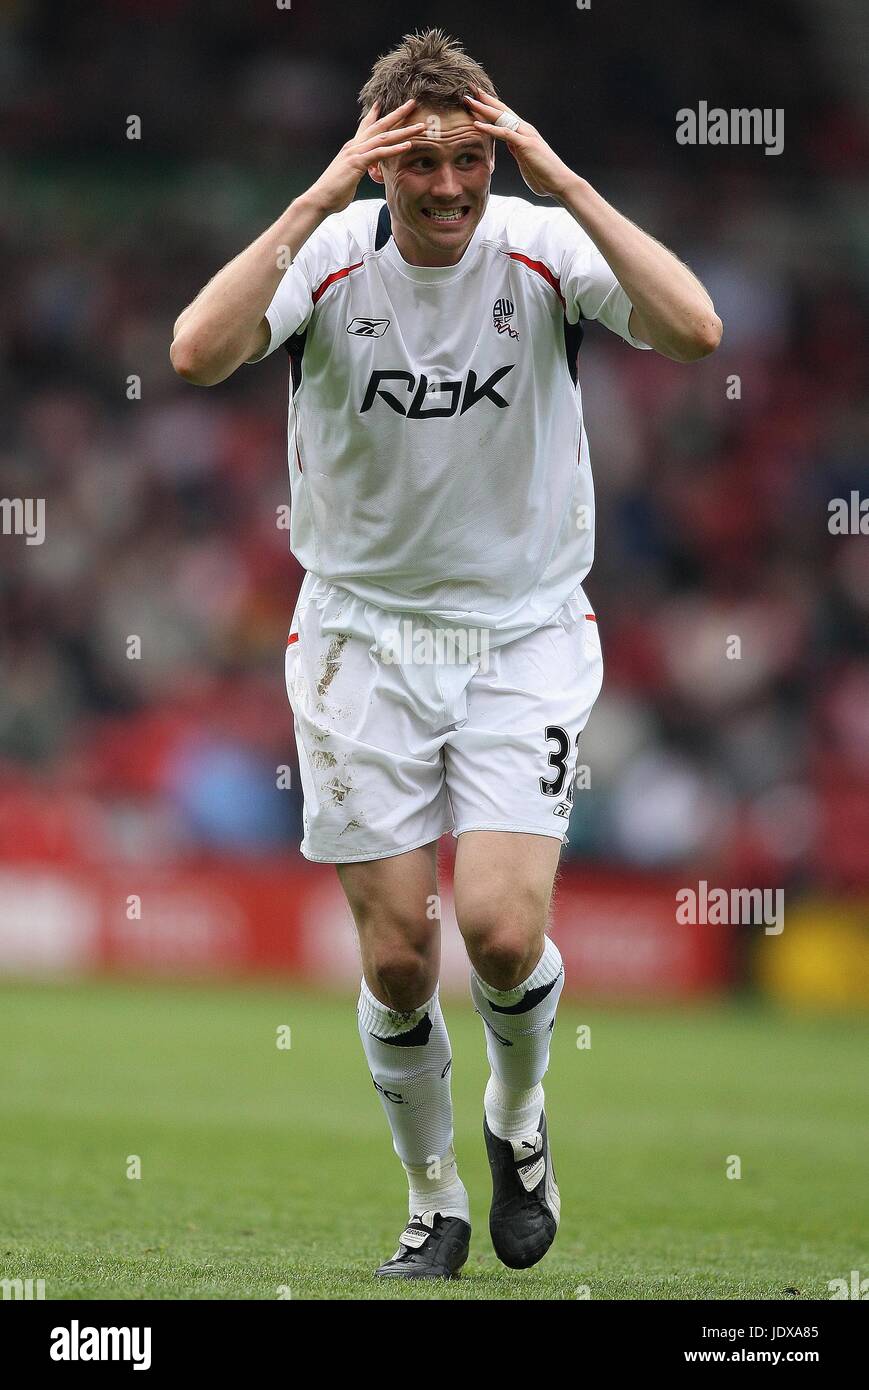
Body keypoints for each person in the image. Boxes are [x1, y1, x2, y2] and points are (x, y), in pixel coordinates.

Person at [170, 28, 721, 1280]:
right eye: (418, 162)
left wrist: (563, 177)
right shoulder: (326, 254)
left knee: (502, 935)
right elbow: (194, 355)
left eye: (468, 157)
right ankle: (432, 1202)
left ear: (492, 152)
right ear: (378, 166)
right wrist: (316, 193)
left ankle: (517, 1126)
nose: (449, 186)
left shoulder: (541, 241)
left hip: (519, 629)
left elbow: (694, 329)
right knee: (400, 959)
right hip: (359, 635)